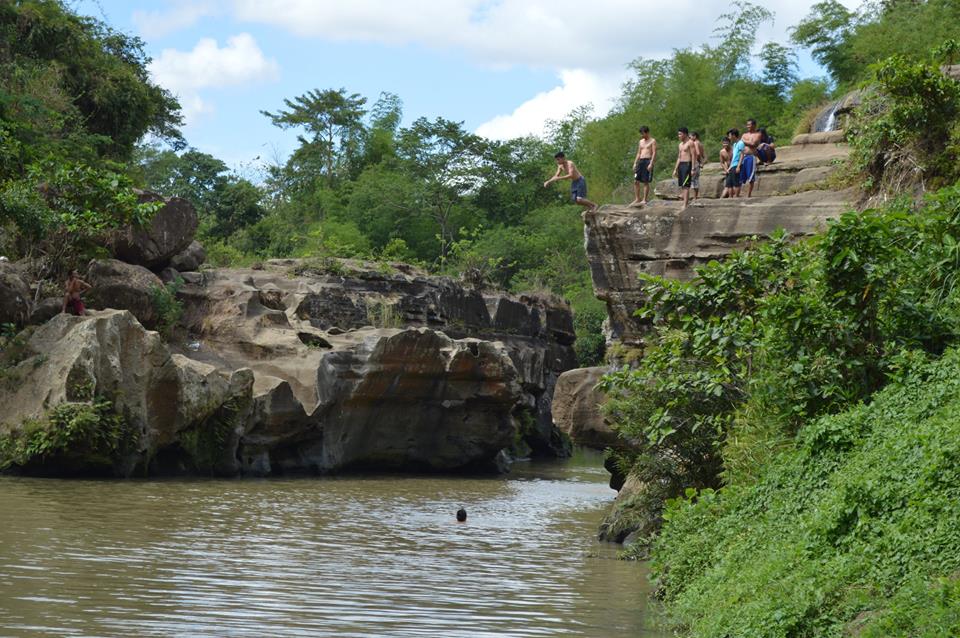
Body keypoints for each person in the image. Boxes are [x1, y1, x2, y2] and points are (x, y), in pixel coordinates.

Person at [630, 125, 657, 206]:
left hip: (648, 161)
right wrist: (635, 163)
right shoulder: (641, 141)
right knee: (635, 180)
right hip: (640, 161)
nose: (642, 135)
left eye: (643, 133)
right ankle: (637, 198)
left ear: (647, 132)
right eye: (641, 134)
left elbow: (654, 153)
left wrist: (651, 163)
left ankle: (645, 199)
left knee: (645, 181)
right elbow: (638, 153)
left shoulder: (652, 141)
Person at [672, 127, 696, 210]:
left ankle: (685, 204)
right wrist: (675, 169)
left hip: (687, 164)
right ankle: (685, 202)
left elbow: (693, 155)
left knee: (686, 185)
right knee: (682, 185)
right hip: (681, 165)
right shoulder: (680, 145)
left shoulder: (690, 143)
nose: (678, 136)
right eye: (678, 134)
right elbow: (679, 157)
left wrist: (693, 168)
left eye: (680, 134)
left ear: (685, 134)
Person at [740, 118, 762, 197]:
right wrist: (746, 142)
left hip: (751, 157)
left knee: (750, 177)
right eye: (747, 125)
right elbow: (741, 144)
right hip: (743, 157)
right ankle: (741, 193)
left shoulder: (758, 134)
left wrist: (744, 141)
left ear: (754, 125)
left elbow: (753, 144)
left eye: (749, 124)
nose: (748, 126)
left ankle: (749, 194)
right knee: (742, 177)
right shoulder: (744, 135)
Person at [726, 128, 745, 198]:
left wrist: (738, 166)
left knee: (736, 183)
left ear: (734, 135)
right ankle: (731, 197)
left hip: (737, 164)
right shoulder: (734, 144)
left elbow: (742, 155)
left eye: (730, 135)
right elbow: (734, 157)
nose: (729, 137)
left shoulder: (741, 143)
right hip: (733, 165)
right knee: (730, 183)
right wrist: (730, 167)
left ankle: (736, 197)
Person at [690, 131, 706, 203]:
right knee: (694, 179)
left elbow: (698, 153)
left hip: (695, 162)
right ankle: (695, 196)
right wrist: (702, 162)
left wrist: (698, 161)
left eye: (690, 137)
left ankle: (695, 197)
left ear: (695, 136)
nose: (690, 139)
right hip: (697, 163)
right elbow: (704, 155)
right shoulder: (700, 143)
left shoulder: (695, 143)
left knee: (694, 179)